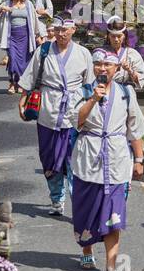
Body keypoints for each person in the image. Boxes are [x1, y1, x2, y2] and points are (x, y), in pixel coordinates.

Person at [70, 51, 144, 271]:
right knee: (85, 210)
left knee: (114, 215)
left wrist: (139, 158)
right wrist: (93, 98)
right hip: (88, 159)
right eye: (98, 64)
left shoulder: (126, 93)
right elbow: (76, 120)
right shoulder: (82, 91)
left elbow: (135, 127)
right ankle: (87, 250)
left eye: (108, 64)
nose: (103, 68)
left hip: (117, 160)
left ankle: (111, 266)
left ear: (117, 68)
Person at [19, 13, 94, 216]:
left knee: (73, 160)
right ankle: (56, 199)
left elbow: (90, 86)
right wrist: (23, 99)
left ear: (73, 30)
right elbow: (31, 77)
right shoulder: (43, 51)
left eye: (65, 30)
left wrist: (90, 111)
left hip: (73, 113)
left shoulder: (83, 54)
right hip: (48, 111)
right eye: (58, 30)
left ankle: (77, 201)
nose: (61, 34)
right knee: (49, 157)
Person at [0, 0, 42, 93]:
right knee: (13, 59)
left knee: (24, 61)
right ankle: (12, 83)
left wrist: (38, 34)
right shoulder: (8, 3)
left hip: (25, 36)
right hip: (12, 35)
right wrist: (2, 9)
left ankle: (20, 83)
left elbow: (34, 20)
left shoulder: (28, 4)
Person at [103, 16, 144, 89]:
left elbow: (140, 80)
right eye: (113, 36)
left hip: (126, 93)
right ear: (108, 36)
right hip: (105, 91)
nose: (116, 39)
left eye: (119, 36)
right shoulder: (100, 53)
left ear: (124, 36)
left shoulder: (132, 54)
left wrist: (129, 70)